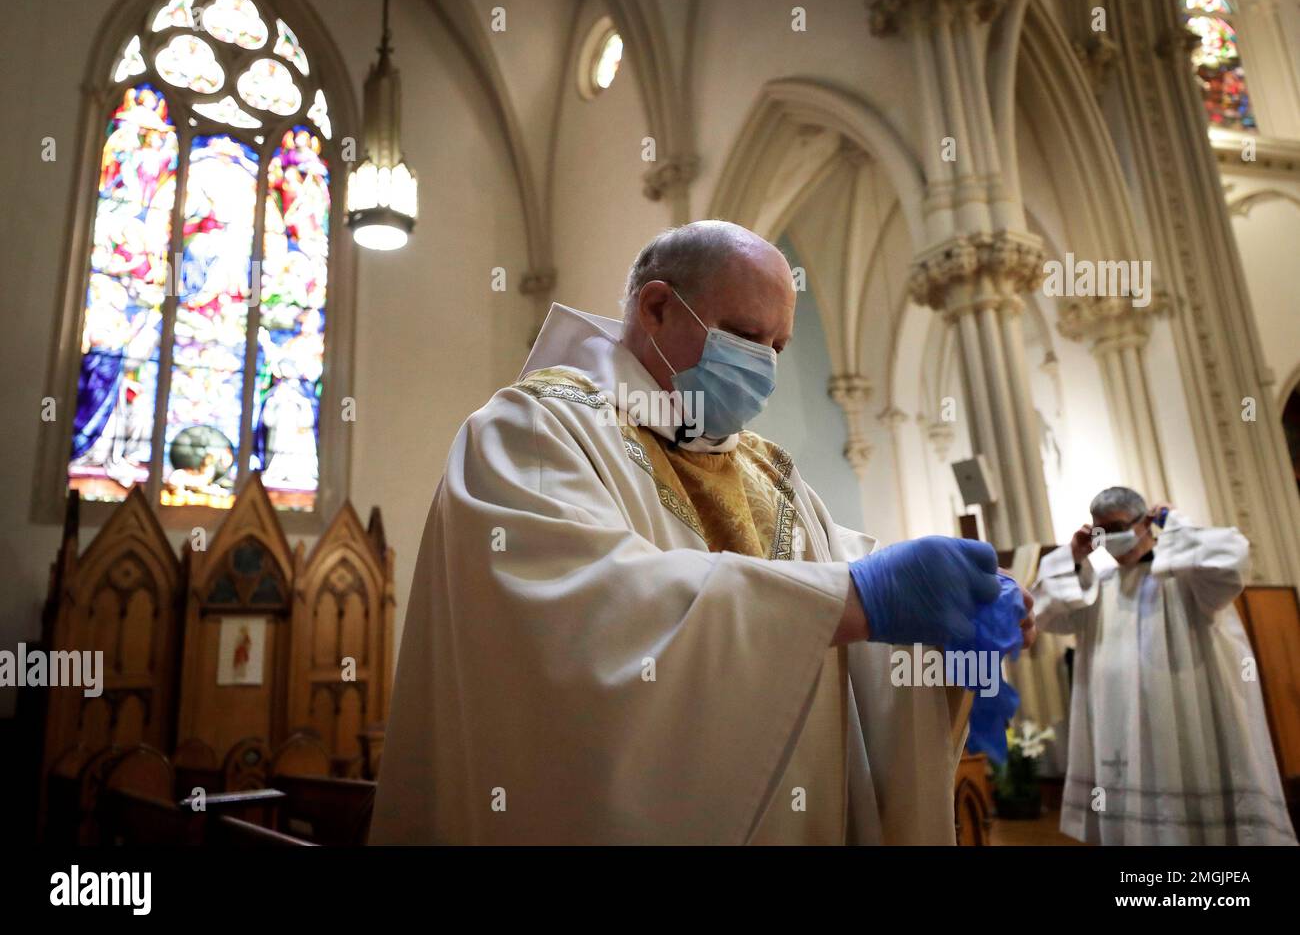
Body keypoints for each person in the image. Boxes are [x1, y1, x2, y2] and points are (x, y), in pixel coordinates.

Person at [370, 220, 1033, 845]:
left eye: (779, 347)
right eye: (747, 337)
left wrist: (951, 633)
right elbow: (586, 619)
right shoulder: (531, 430)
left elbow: (860, 606)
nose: (767, 369)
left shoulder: (769, 472)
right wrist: (862, 598)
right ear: (655, 308)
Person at [1032, 486, 1297, 845]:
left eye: (1116, 527)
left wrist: (1175, 524)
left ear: (1145, 523)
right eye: (1100, 531)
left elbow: (1231, 561)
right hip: (1118, 723)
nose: (1109, 539)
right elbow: (1046, 615)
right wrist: (1075, 558)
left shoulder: (1188, 577)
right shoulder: (1099, 587)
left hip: (1185, 720)